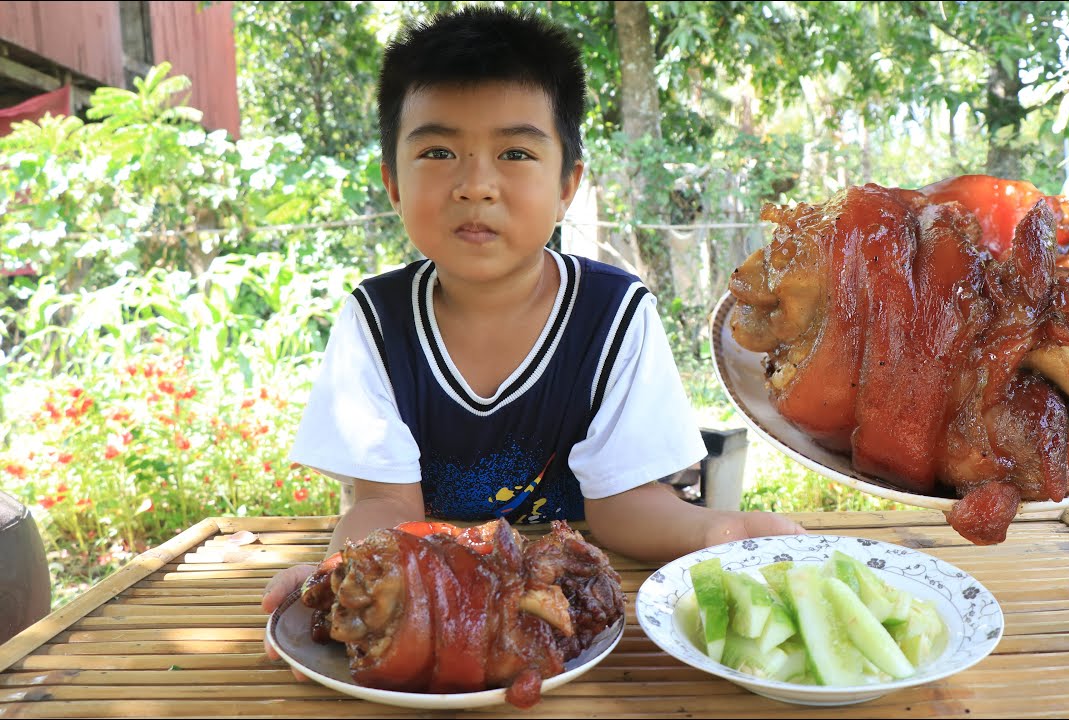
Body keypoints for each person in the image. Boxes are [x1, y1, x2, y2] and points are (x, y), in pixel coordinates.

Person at [260, 5, 806, 663]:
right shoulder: (374, 321)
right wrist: (340, 575)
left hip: (580, 623)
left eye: (515, 152)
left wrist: (727, 529)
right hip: (437, 622)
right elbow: (384, 504)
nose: (475, 185)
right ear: (392, 183)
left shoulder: (613, 314)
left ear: (567, 185)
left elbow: (624, 504)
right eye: (437, 151)